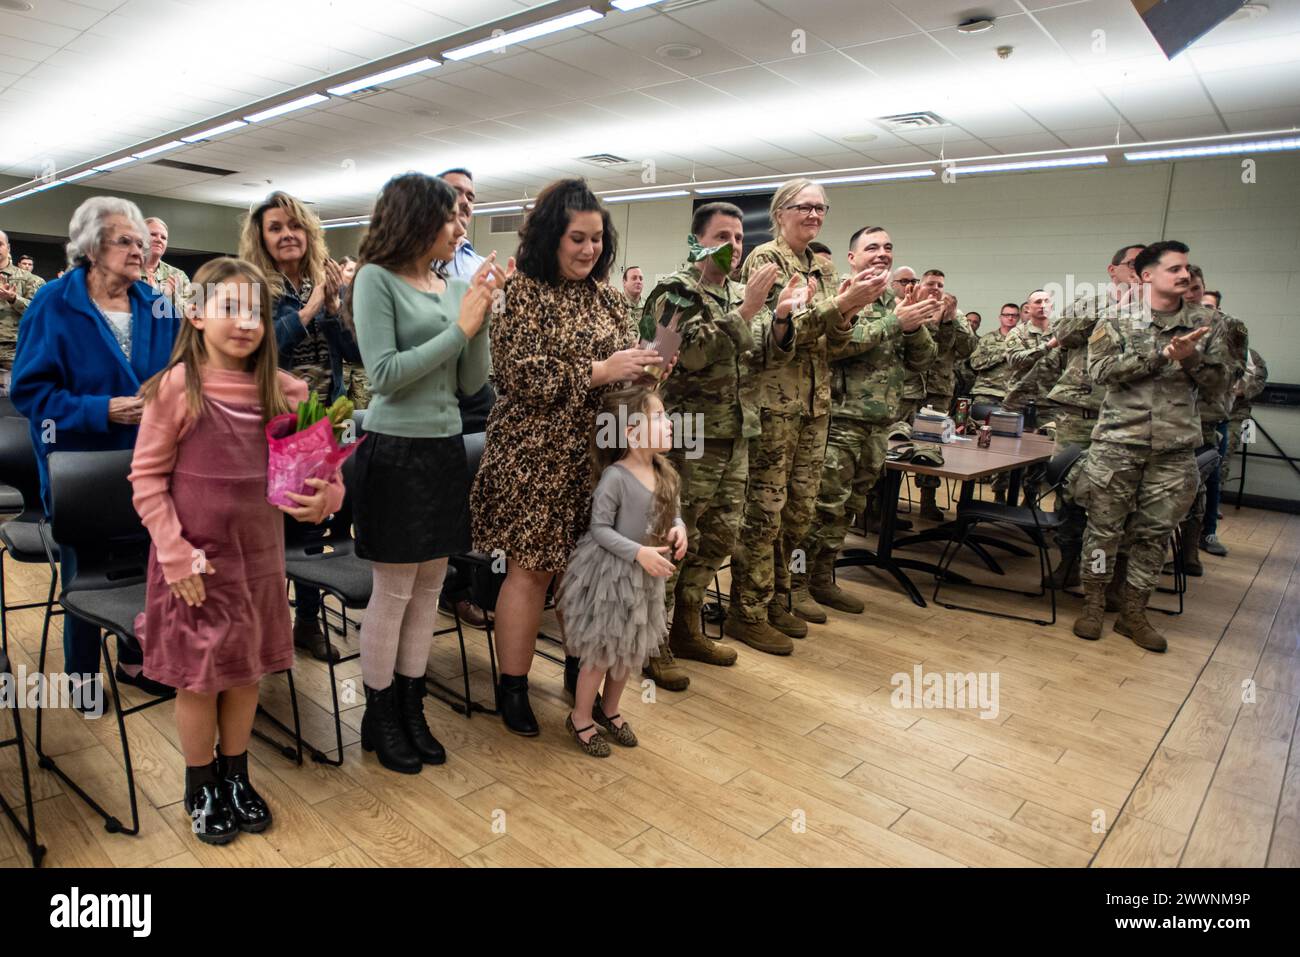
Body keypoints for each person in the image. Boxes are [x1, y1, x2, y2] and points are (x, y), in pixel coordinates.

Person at [130, 256, 343, 844]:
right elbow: (146, 482)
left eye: (255, 309)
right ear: (196, 314)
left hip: (258, 562)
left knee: (245, 672)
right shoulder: (176, 388)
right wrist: (174, 556)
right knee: (199, 679)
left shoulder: (286, 390)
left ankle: (236, 774)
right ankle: (200, 782)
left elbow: (324, 472)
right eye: (230, 307)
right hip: (193, 566)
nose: (245, 322)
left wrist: (326, 495)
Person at [471, 178, 660, 737]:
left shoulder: (607, 297)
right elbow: (513, 374)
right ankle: (512, 686)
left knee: (586, 573)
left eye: (598, 239)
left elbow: (622, 370)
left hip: (597, 461)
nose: (589, 249)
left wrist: (643, 371)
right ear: (551, 236)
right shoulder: (518, 291)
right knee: (531, 573)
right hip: (534, 458)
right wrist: (600, 372)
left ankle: (579, 680)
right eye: (577, 238)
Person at [346, 173, 503, 774]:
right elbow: (383, 374)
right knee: (393, 592)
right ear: (417, 220)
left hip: (441, 449)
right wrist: (459, 327)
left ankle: (412, 708)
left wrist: (480, 316)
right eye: (450, 218)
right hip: (394, 450)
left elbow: (469, 384)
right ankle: (380, 713)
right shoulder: (375, 280)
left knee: (430, 590)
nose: (459, 229)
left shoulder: (452, 285)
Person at [10, 196, 177, 696]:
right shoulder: (52, 302)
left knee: (150, 562)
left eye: (142, 243)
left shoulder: (158, 302)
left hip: (149, 461)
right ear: (90, 246)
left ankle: (134, 658)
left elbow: (182, 371)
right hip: (79, 464)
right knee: (88, 572)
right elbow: (30, 392)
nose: (138, 250)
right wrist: (102, 409)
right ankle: (81, 677)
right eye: (124, 240)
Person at [644, 202, 795, 688]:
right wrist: (746, 312)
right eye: (722, 237)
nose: (734, 246)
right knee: (673, 537)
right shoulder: (675, 291)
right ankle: (653, 641)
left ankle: (688, 627)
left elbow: (756, 358)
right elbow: (674, 358)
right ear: (697, 242)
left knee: (717, 539)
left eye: (738, 238)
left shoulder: (736, 292)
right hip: (689, 434)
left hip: (736, 433)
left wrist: (779, 321)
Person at [728, 178, 870, 653]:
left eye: (821, 208)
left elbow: (838, 344)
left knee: (799, 510)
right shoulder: (766, 260)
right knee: (764, 512)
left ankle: (779, 598)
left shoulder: (824, 270)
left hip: (815, 404)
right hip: (774, 403)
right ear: (780, 211)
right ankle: (747, 610)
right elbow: (775, 335)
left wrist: (846, 313)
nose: (814, 215)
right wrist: (840, 306)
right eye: (804, 207)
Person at [1072, 241, 1230, 652]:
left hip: (1175, 449)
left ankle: (1133, 613)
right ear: (1147, 276)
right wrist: (1162, 356)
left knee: (1154, 534)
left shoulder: (1209, 324)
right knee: (1103, 531)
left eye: (1185, 269)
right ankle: (1092, 604)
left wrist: (1192, 358)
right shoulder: (1116, 320)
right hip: (1118, 443)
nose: (1183, 275)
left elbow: (1221, 385)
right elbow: (1103, 372)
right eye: (1173, 268)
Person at [801, 226, 939, 617]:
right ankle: (794, 585)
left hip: (879, 426)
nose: (882, 254)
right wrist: (896, 323)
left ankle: (822, 579)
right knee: (822, 506)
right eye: (872, 247)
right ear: (852, 257)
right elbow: (839, 346)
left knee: (851, 506)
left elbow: (922, 361)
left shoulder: (895, 303)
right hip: (839, 422)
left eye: (888, 248)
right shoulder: (841, 298)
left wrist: (911, 328)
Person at [238, 191, 349, 662]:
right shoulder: (252, 287)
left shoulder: (324, 280)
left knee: (312, 525)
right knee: (269, 529)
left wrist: (339, 306)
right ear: (261, 238)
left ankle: (306, 621)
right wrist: (308, 312)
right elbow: (258, 351)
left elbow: (354, 352)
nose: (287, 235)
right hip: (275, 424)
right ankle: (264, 627)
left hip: (324, 419)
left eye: (294, 226)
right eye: (276, 228)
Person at [557, 385, 686, 756]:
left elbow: (675, 512)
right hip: (611, 576)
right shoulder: (615, 477)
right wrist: (638, 553)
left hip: (646, 578)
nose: (668, 422)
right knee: (601, 652)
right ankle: (581, 716)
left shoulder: (666, 472)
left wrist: (680, 529)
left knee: (629, 650)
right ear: (631, 432)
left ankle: (609, 710)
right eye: (658, 417)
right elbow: (599, 530)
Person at [1048, 244, 1145, 589]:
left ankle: (1112, 576)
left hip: (1127, 418)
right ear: (1113, 270)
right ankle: (1068, 560)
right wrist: (1115, 307)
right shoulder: (1091, 302)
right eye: (1132, 264)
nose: (1138, 271)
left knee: (1123, 499)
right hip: (1081, 413)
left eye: (1145, 265)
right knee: (1070, 491)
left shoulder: (1158, 312)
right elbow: (1060, 334)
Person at [435, 166, 497, 631]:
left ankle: (470, 583)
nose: (464, 201)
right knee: (444, 492)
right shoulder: (414, 263)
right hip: (432, 392)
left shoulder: (479, 264)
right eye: (454, 192)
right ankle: (447, 587)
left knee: (478, 490)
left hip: (476, 388)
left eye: (471, 195)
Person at [895, 269, 977, 521]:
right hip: (907, 389)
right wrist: (933, 321)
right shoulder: (910, 308)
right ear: (920, 285)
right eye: (931, 283)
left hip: (938, 391)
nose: (936, 289)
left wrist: (950, 320)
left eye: (940, 285)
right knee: (895, 444)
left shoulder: (956, 314)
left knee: (932, 447)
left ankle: (928, 500)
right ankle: (881, 503)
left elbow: (967, 349)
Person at [1183, 266, 1248, 561]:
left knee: (1202, 486)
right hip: (1167, 419)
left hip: (1206, 419)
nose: (1190, 295)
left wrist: (1192, 359)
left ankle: (1192, 549)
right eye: (1184, 288)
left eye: (1196, 288)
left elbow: (1231, 374)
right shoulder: (1165, 322)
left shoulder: (1229, 326)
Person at [0, 228, 44, 392]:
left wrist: (13, 299)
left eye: (0, 244)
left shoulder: (31, 280)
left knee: (15, 410)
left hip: (16, 352)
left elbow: (40, 314)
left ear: (8, 248)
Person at [141, 217, 190, 316]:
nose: (159, 239)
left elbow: (190, 317)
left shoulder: (177, 276)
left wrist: (171, 298)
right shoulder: (125, 272)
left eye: (163, 237)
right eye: (153, 234)